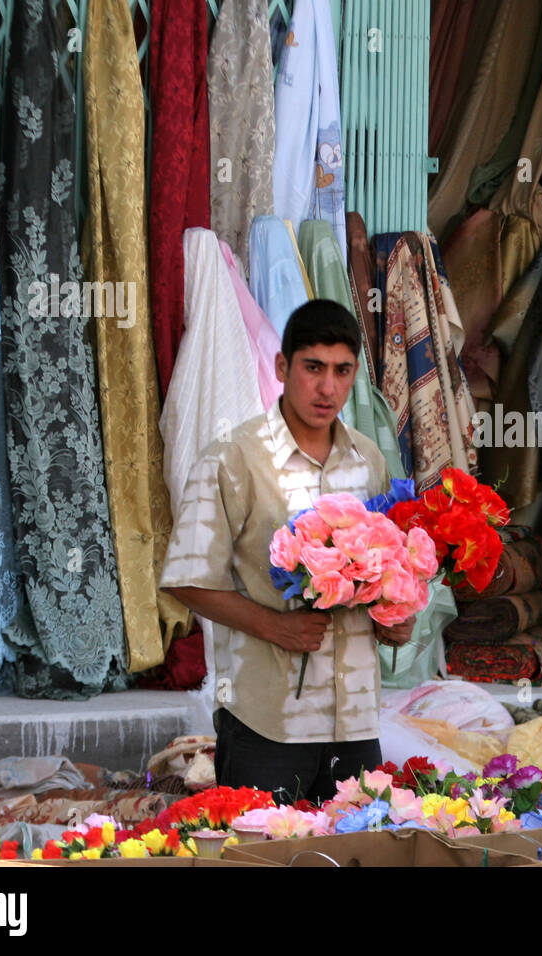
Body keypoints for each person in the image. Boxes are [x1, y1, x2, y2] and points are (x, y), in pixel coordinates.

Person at [160, 300, 413, 803]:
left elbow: (387, 568)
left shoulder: (369, 460)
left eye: (342, 371)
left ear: (355, 373)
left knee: (355, 851)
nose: (327, 388)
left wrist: (394, 619)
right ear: (282, 367)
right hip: (267, 716)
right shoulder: (235, 458)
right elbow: (186, 578)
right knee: (265, 856)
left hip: (356, 718)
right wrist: (273, 625)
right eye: (313, 367)